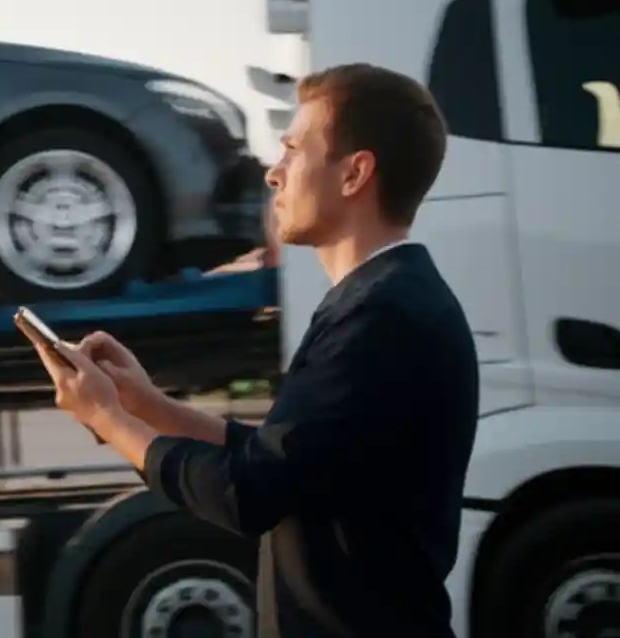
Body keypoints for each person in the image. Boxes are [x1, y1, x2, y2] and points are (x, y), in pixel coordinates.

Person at [32, 62, 479, 637]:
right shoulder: (381, 302)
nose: (274, 173)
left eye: (294, 149)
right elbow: (287, 462)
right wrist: (148, 406)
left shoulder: (381, 317)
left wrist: (106, 418)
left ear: (354, 174)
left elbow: (248, 494)